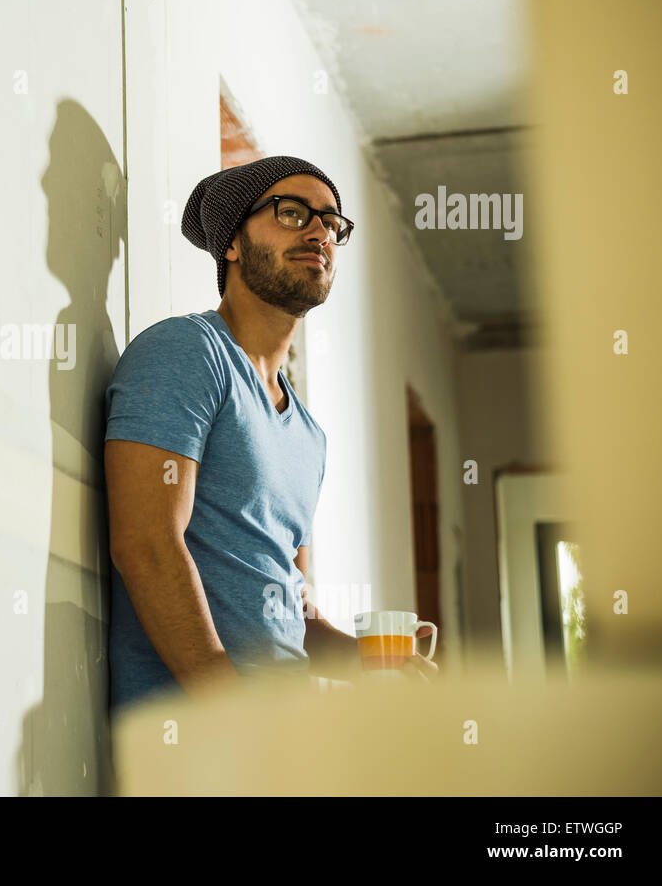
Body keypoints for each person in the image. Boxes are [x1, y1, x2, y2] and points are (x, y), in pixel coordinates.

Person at [103, 155, 436, 714]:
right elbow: (146, 546)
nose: (318, 232)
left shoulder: (309, 436)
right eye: (291, 213)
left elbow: (288, 604)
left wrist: (367, 660)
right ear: (232, 242)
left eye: (332, 223)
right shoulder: (188, 353)